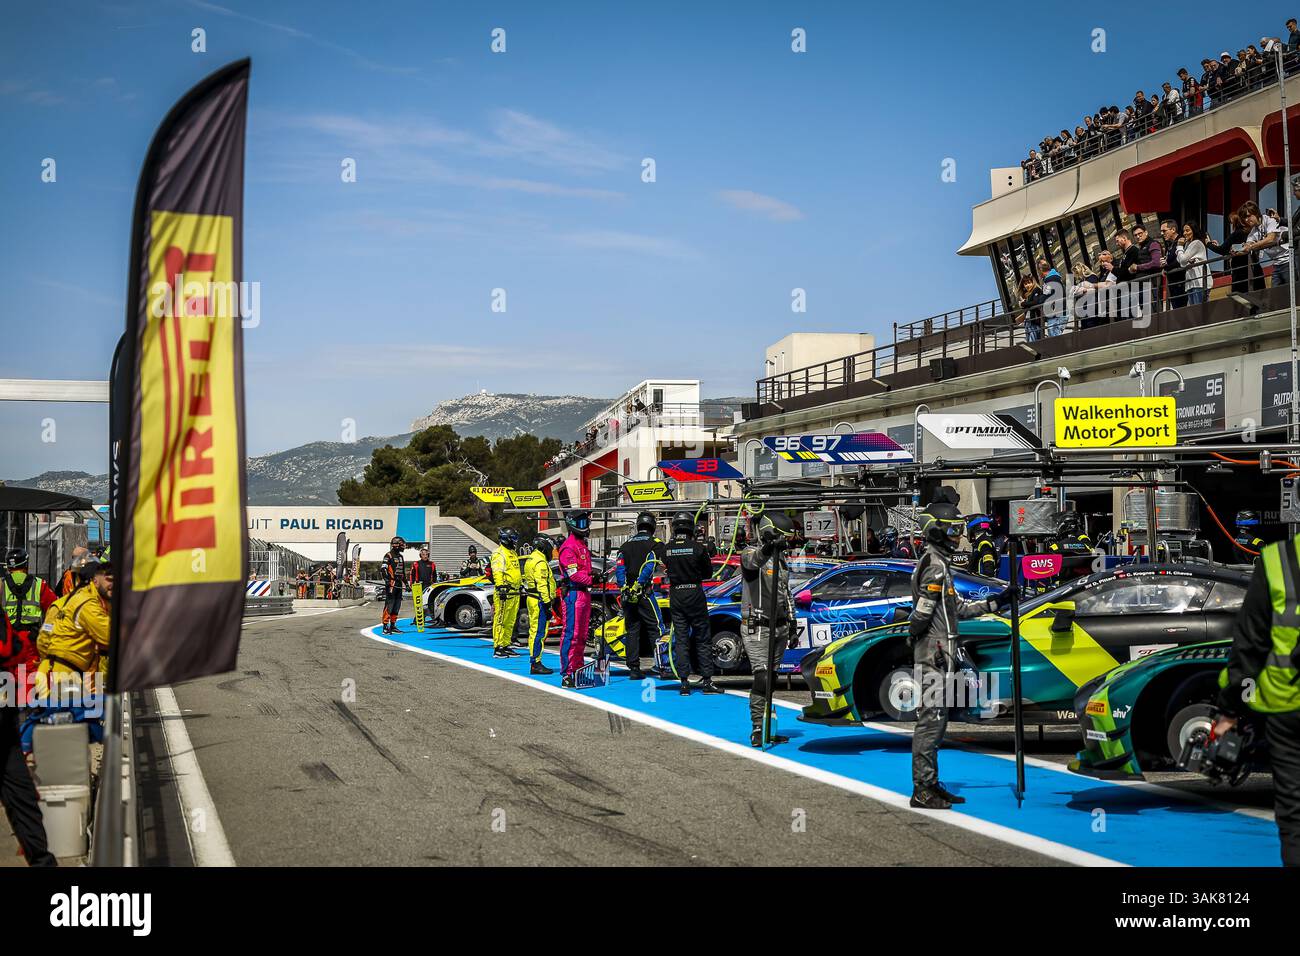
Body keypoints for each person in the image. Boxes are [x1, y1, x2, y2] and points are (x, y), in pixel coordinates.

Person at [907, 501, 1012, 810]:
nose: (958, 536)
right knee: (930, 722)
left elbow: (959, 610)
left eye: (959, 530)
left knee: (937, 723)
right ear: (936, 531)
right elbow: (922, 613)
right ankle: (921, 790)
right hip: (934, 655)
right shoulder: (934, 566)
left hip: (943, 653)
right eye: (953, 530)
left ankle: (931, 783)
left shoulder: (941, 564)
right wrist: (915, 636)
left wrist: (997, 603)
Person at [1213, 533, 1300, 865]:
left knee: (1295, 817)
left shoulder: (1279, 561)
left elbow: (1249, 645)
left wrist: (1229, 711)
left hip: (1288, 707)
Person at [740, 511, 798, 746]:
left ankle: (768, 725)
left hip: (780, 628)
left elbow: (786, 593)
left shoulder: (782, 562)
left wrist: (793, 625)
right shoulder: (751, 553)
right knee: (762, 678)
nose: (787, 544)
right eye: (783, 538)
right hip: (757, 627)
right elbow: (753, 562)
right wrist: (768, 548)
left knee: (772, 679)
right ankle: (756, 727)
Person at [663, 512, 719, 695]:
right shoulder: (698, 548)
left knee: (681, 638)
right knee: (702, 638)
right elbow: (708, 573)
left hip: (676, 594)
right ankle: (707, 681)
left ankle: (684, 682)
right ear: (690, 527)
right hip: (694, 592)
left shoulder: (667, 549)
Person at [36, 558, 112, 694]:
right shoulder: (74, 605)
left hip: (74, 674)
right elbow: (44, 640)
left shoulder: (71, 603)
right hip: (63, 674)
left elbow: (43, 641)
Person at [615, 512, 666, 681]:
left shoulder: (625, 545)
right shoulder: (655, 544)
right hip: (643, 592)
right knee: (656, 628)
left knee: (632, 630)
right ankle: (662, 665)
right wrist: (639, 584)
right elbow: (650, 566)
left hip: (627, 594)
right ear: (652, 526)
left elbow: (619, 568)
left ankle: (634, 669)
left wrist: (624, 587)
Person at [1, 549, 57, 683]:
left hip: (6, 639)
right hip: (30, 639)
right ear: (26, 565)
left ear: (8, 567)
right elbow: (55, 610)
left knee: (6, 675)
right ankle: (25, 702)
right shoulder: (39, 584)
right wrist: (46, 631)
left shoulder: (1, 584)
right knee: (28, 676)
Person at [557, 512, 593, 685]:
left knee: (583, 635)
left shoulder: (582, 545)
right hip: (573, 594)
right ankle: (567, 673)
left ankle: (578, 668)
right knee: (572, 634)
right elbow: (574, 574)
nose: (586, 524)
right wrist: (593, 578)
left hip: (584, 593)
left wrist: (594, 576)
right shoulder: (569, 546)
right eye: (582, 521)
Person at [522, 535, 556, 675]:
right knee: (539, 632)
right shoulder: (540, 562)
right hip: (539, 601)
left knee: (534, 631)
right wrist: (547, 604)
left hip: (533, 599)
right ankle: (535, 662)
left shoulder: (531, 558)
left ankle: (535, 660)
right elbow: (542, 584)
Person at [489, 529, 522, 659]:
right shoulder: (499, 553)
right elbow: (497, 571)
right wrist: (501, 586)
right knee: (501, 619)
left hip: (515, 591)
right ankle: (498, 647)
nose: (515, 541)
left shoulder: (513, 553)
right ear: (506, 539)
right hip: (504, 592)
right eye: (513, 538)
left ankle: (506, 645)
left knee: (510, 620)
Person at [1176, 223, 1212, 306]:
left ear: (1194, 231)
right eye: (1184, 231)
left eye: (1187, 230)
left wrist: (1179, 247)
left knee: (1199, 311)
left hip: (1199, 282)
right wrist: (1181, 250)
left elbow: (1183, 260)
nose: (1185, 233)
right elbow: (1181, 262)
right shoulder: (1188, 244)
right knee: (1194, 312)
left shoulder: (1196, 242)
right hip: (1191, 282)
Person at [378, 537, 406, 635]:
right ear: (396, 545)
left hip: (398, 584)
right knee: (389, 604)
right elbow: (383, 569)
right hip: (391, 584)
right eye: (402, 544)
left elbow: (402, 573)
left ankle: (393, 625)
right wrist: (387, 580)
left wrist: (406, 584)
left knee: (397, 605)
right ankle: (385, 626)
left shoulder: (401, 557)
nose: (404, 546)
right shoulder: (388, 555)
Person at [408, 546, 437, 632]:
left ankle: (431, 618)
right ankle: (418, 619)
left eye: (426, 554)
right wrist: (411, 584)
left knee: (428, 603)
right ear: (420, 555)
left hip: (428, 585)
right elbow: (412, 575)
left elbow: (435, 575)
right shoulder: (416, 564)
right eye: (423, 554)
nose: (425, 556)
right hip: (418, 585)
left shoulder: (432, 564)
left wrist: (434, 584)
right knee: (419, 603)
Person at [1160, 220, 1186, 308]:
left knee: (1183, 311)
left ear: (1173, 229)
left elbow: (1180, 260)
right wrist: (1164, 264)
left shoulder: (1181, 241)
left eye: (1164, 231)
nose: (1162, 233)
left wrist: (1166, 267)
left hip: (1181, 282)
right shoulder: (1169, 244)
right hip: (1173, 284)